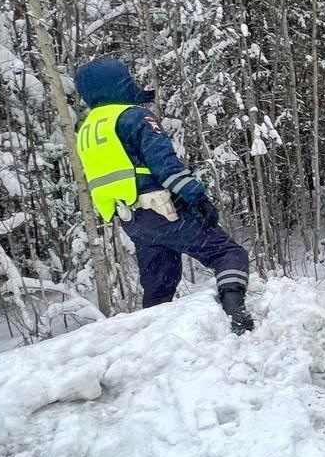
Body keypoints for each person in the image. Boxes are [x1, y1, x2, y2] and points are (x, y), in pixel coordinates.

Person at [73, 58, 255, 334]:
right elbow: (164, 163)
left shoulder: (88, 128)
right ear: (116, 83)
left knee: (159, 285)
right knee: (228, 252)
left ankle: (155, 339)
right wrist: (196, 196)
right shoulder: (133, 117)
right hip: (163, 209)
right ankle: (236, 314)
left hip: (132, 219)